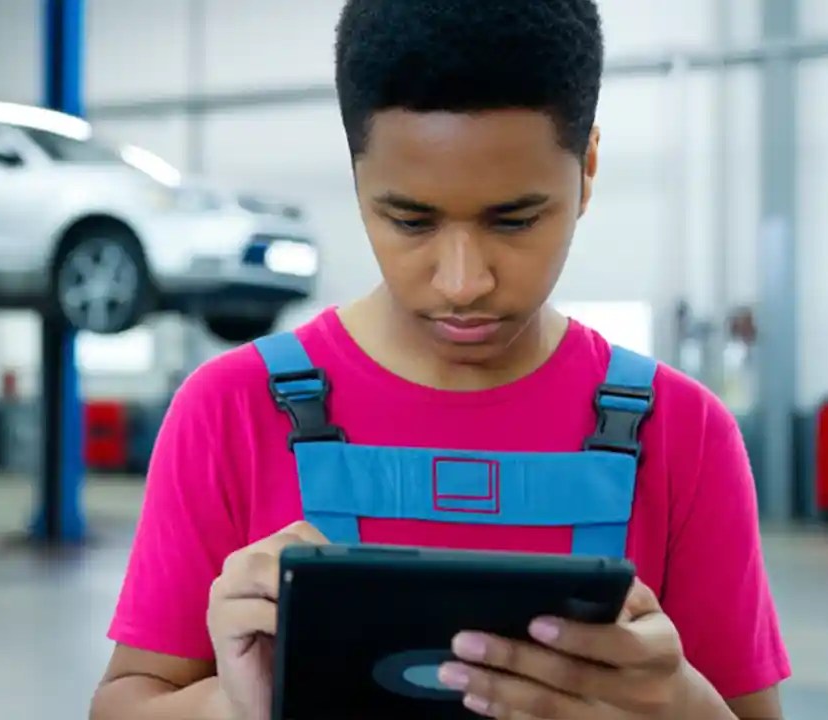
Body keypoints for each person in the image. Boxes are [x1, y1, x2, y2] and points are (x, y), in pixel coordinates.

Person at [89, 1, 791, 718]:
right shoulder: (232, 410)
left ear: (586, 169)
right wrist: (234, 705)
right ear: (358, 178)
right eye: (410, 220)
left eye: (515, 220)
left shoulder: (683, 435)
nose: (463, 282)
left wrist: (680, 706)